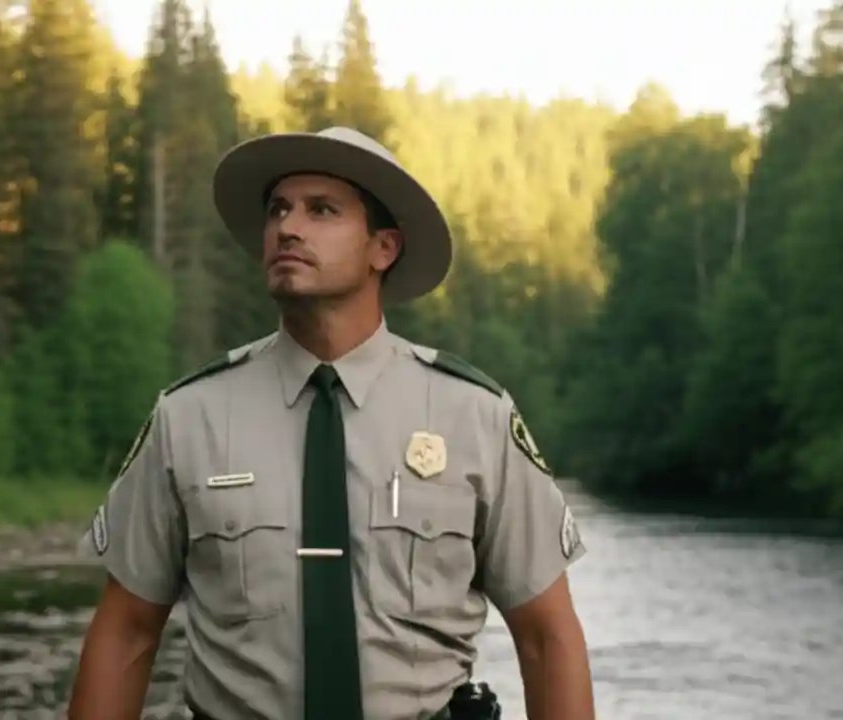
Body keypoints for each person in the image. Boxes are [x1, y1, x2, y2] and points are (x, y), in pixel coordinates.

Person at [66, 126, 594, 720]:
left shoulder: (473, 416)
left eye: (322, 211)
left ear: (383, 249)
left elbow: (547, 637)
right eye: (278, 210)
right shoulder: (190, 417)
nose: (288, 227)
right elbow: (128, 633)